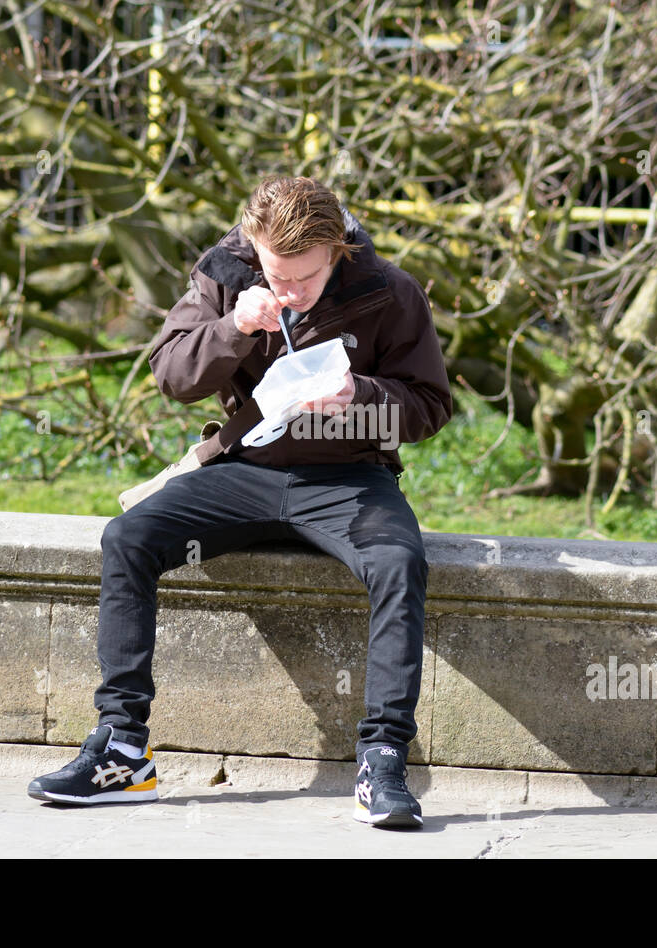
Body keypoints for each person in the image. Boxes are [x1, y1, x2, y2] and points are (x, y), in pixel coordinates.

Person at [28, 175, 453, 828]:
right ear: (255, 247)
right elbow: (171, 376)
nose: (288, 292)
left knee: (398, 562)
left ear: (338, 248)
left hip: (349, 478)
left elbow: (429, 407)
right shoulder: (225, 274)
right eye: (276, 276)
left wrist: (361, 398)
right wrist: (232, 327)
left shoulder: (389, 292)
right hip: (243, 468)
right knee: (127, 538)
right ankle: (120, 749)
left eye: (304, 281)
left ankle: (384, 759)